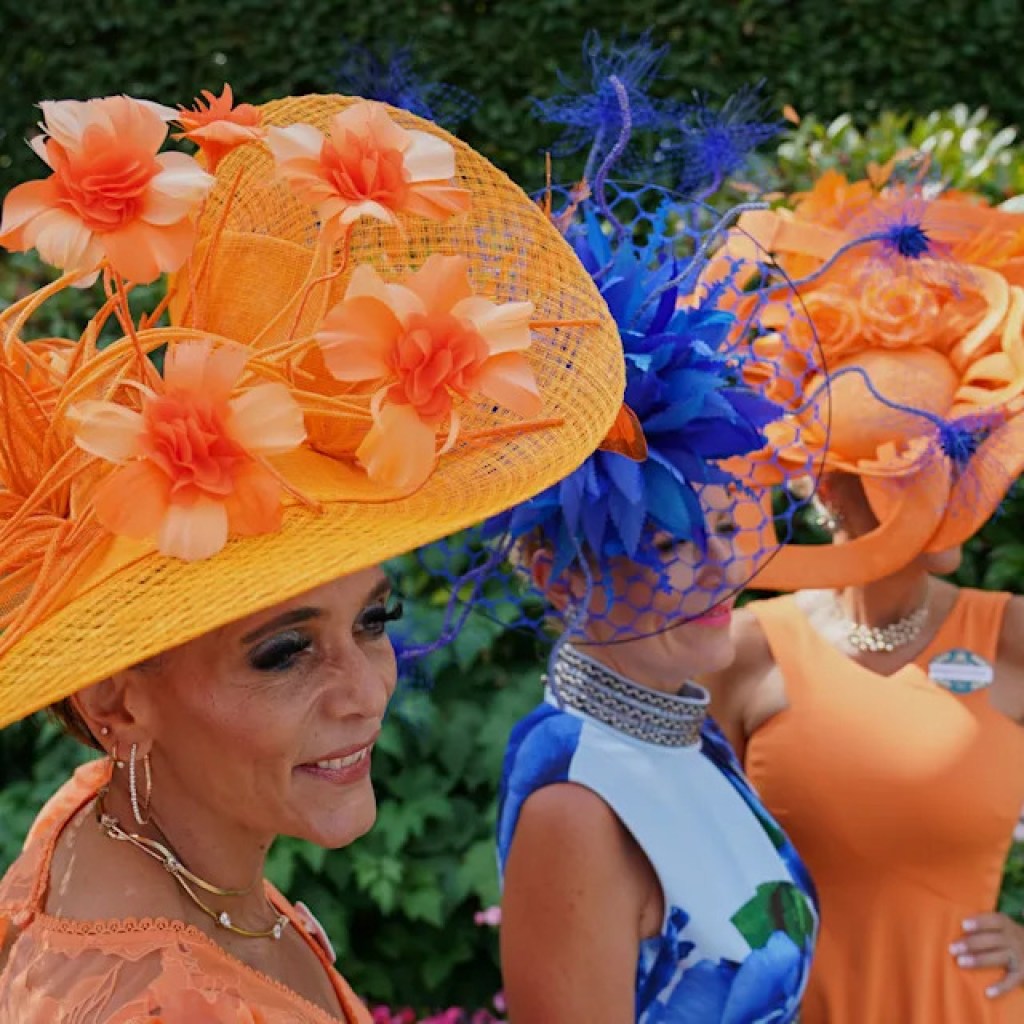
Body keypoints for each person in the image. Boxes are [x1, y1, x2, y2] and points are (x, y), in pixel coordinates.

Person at [0, 87, 624, 1021]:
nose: (366, 691)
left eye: (372, 620)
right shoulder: (164, 1005)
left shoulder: (106, 828)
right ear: (114, 697)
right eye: (284, 651)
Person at [487, 45, 831, 1016]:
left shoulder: (680, 730)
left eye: (721, 523)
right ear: (557, 573)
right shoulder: (576, 803)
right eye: (673, 542)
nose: (724, 566)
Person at [706, 167, 1024, 1023]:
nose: (950, 490)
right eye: (907, 467)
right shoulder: (741, 649)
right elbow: (681, 860)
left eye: (962, 457)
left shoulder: (1013, 638)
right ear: (831, 492)